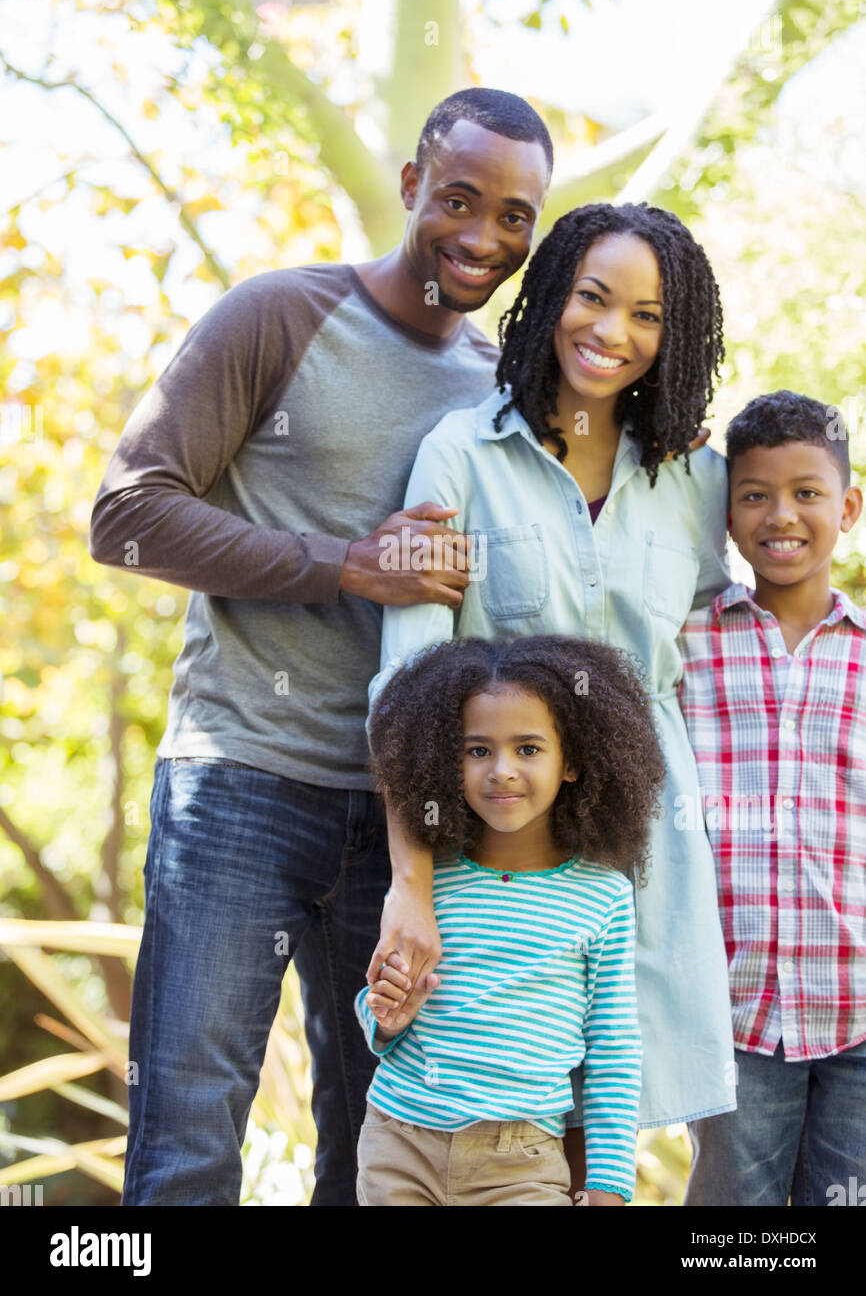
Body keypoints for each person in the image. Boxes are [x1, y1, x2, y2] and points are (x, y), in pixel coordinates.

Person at [88, 88, 553, 1206]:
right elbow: (127, 511)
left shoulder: (498, 389)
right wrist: (346, 562)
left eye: (513, 216)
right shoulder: (277, 316)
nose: (481, 236)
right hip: (238, 779)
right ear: (408, 187)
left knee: (375, 1151)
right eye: (457, 199)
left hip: (403, 824)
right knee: (189, 1142)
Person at [367, 202, 738, 1146]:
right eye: (593, 298)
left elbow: (721, 651)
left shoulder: (696, 482)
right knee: (490, 1122)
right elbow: (406, 689)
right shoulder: (461, 454)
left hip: (645, 849)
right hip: (496, 855)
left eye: (648, 316)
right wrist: (410, 884)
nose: (613, 333)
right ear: (552, 296)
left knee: (605, 1133)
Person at [356, 634, 665, 1206]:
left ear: (572, 763)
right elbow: (377, 1005)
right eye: (478, 751)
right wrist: (386, 1017)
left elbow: (613, 1048)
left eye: (528, 748)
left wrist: (610, 1186)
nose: (501, 770)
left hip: (521, 1162)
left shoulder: (603, 897)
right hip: (398, 1143)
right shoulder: (429, 883)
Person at [677, 390, 866, 1207]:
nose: (779, 514)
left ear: (849, 506)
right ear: (725, 514)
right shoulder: (686, 645)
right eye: (753, 494)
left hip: (858, 1010)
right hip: (733, 1015)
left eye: (806, 492)